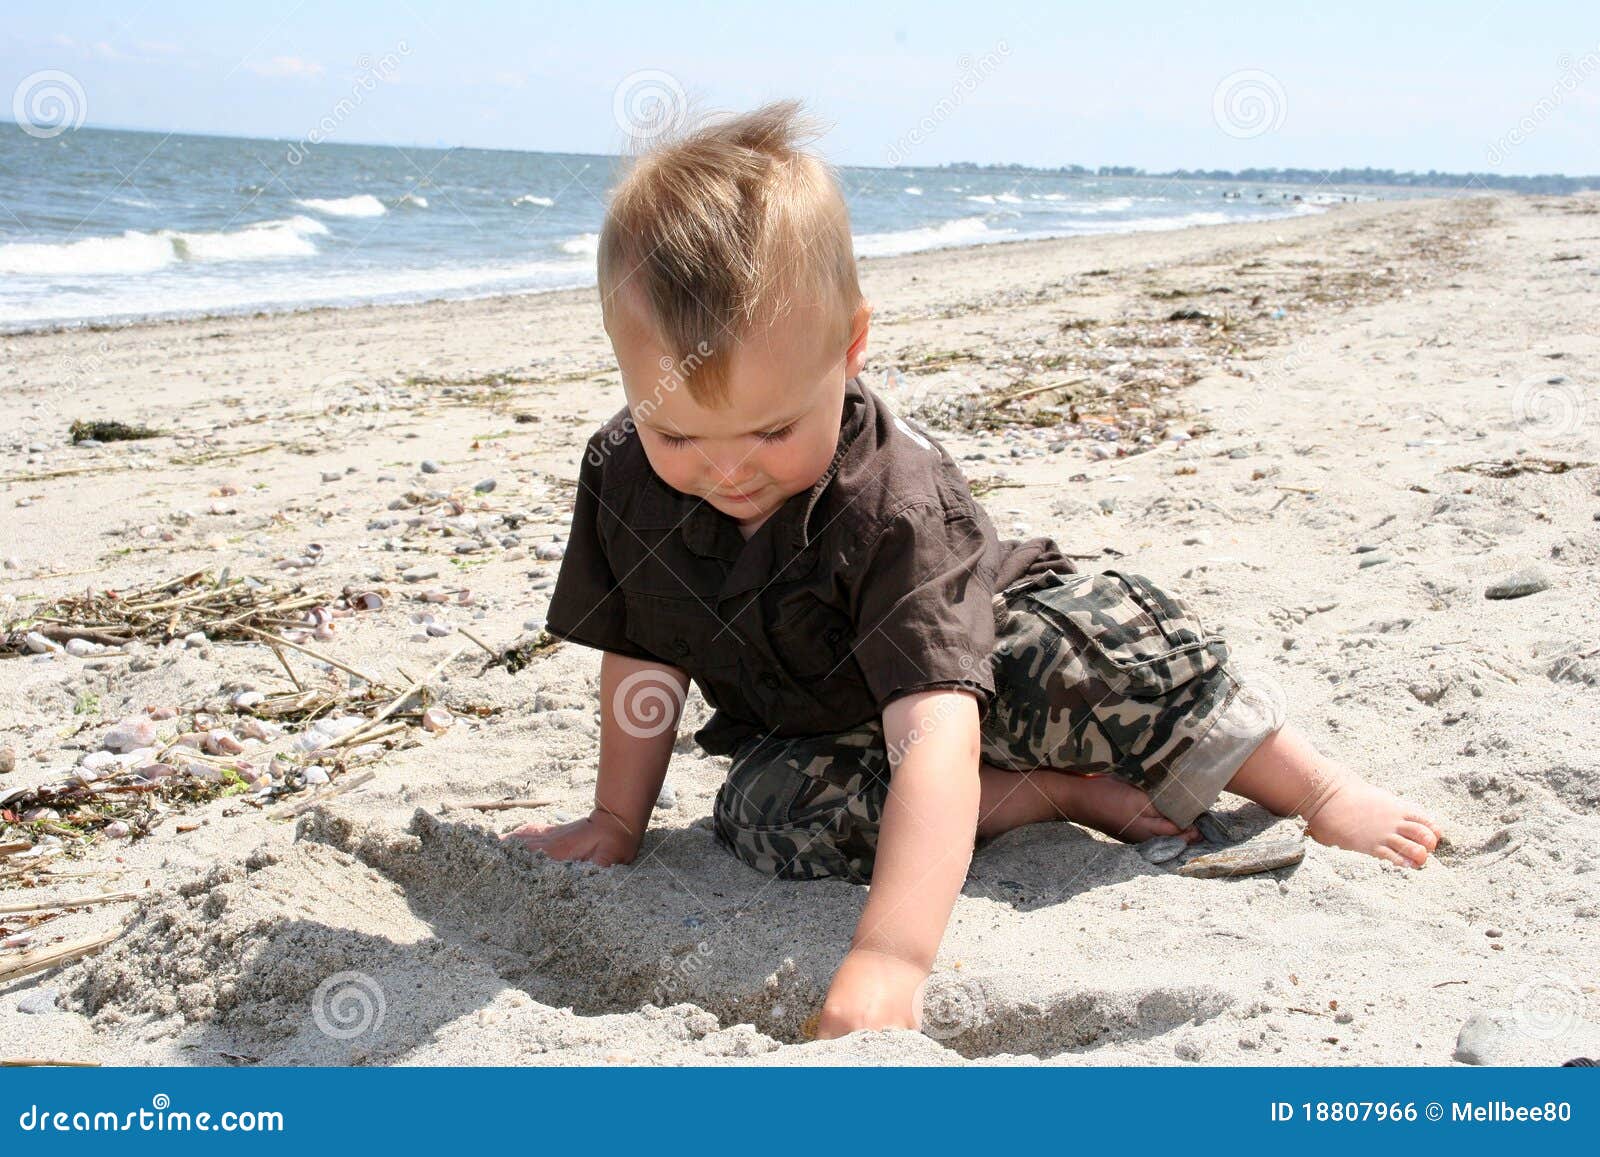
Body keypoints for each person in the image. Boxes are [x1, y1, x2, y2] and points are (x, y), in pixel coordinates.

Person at [504, 99, 1444, 1039]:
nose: (728, 469)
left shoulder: (896, 501)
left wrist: (890, 956)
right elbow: (641, 657)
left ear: (851, 347)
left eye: (773, 429)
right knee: (760, 814)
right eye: (678, 433)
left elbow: (937, 733)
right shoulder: (624, 474)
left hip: (983, 661)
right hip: (827, 723)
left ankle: (1314, 787)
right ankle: (1056, 794)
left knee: (1094, 655)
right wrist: (615, 822)